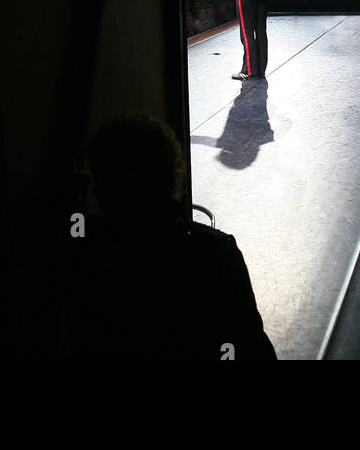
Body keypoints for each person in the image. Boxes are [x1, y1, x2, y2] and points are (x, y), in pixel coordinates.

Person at [67, 114, 277, 360]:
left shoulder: (96, 252)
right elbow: (252, 347)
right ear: (170, 177)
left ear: (106, 190)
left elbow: (76, 234)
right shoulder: (217, 253)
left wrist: (76, 201)